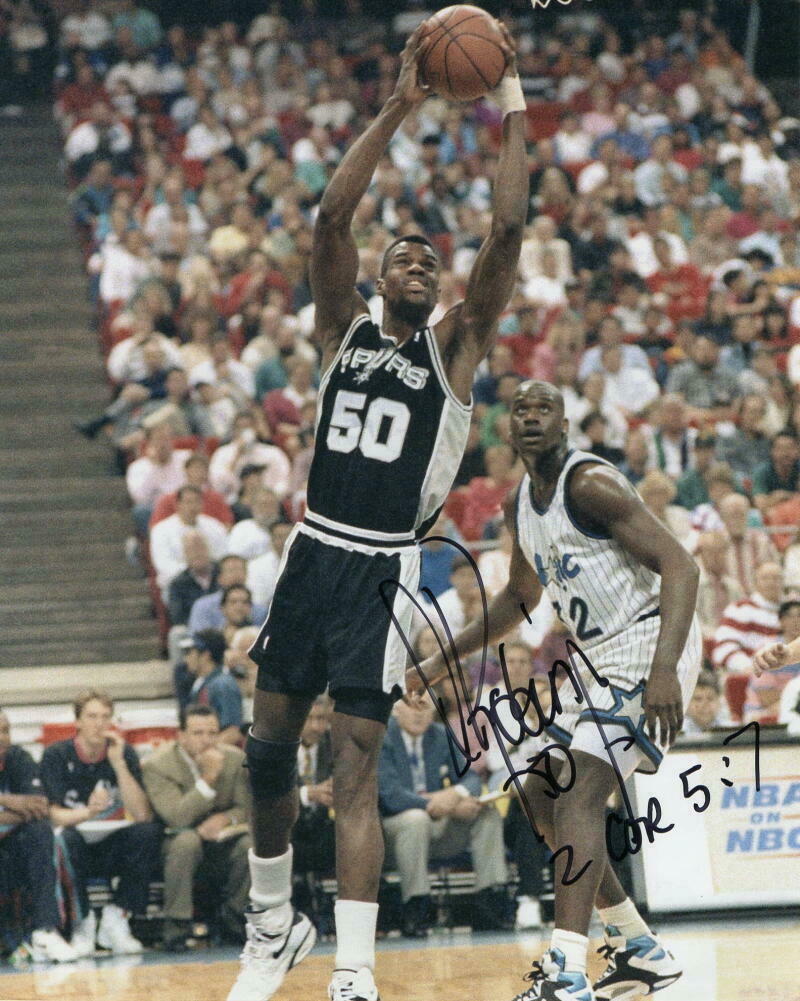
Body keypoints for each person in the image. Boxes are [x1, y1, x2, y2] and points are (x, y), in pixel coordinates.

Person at [227, 23, 526, 1001]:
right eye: (402, 254)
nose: (417, 263)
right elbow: (328, 220)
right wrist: (400, 101)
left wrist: (510, 105)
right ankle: (273, 921)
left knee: (353, 760)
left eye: (427, 260)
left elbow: (507, 233)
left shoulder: (453, 350)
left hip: (383, 566)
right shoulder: (340, 328)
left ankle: (353, 970)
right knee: (267, 750)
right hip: (313, 550)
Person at [410, 380, 701, 1001]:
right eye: (522, 409)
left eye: (546, 408)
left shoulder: (590, 484)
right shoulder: (522, 502)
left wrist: (665, 668)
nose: (533, 417)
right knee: (536, 785)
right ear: (507, 431)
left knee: (577, 793)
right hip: (601, 656)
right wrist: (437, 663)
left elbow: (682, 565)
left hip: (650, 642)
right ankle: (640, 947)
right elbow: (518, 600)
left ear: (565, 425)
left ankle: (566, 972)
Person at [39, 690, 160, 957]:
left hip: (111, 842)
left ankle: (117, 917)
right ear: (78, 722)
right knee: (64, 839)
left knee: (148, 832)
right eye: (92, 716)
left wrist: (118, 765)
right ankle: (83, 923)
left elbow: (142, 814)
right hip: (75, 841)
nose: (99, 723)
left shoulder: (123, 753)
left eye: (105, 717)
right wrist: (89, 811)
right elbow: (55, 815)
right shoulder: (56, 755)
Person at [378, 696, 508, 939]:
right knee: (415, 818)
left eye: (424, 706)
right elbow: (390, 796)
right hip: (393, 834)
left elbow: (470, 778)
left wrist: (456, 794)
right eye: (410, 706)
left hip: (437, 828)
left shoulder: (440, 734)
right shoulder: (382, 736)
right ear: (396, 710)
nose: (418, 713)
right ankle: (415, 907)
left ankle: (489, 901)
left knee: (486, 814)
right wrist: (441, 803)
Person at [142, 704, 251, 951]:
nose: (206, 740)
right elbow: (176, 817)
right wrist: (208, 779)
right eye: (198, 733)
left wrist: (225, 820)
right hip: (176, 842)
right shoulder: (158, 765)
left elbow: (246, 807)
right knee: (186, 842)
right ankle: (177, 927)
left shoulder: (234, 759)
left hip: (222, 840)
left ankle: (234, 919)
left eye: (212, 733)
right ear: (180, 736)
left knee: (249, 845)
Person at [0, 710, 78, 963]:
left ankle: (45, 930)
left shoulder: (18, 758)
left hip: (12, 845)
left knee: (41, 831)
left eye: (5, 730)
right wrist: (10, 801)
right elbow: (24, 807)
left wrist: (10, 807)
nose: (2, 738)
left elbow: (39, 808)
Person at [179, 629, 243, 744]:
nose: (186, 659)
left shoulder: (223, 685)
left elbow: (232, 732)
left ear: (205, 655)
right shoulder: (203, 683)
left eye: (189, 652)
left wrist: (205, 752)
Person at [680, 670, 731, 735]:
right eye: (698, 699)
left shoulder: (732, 731)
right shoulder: (676, 734)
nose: (704, 705)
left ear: (719, 702)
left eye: (710, 699)